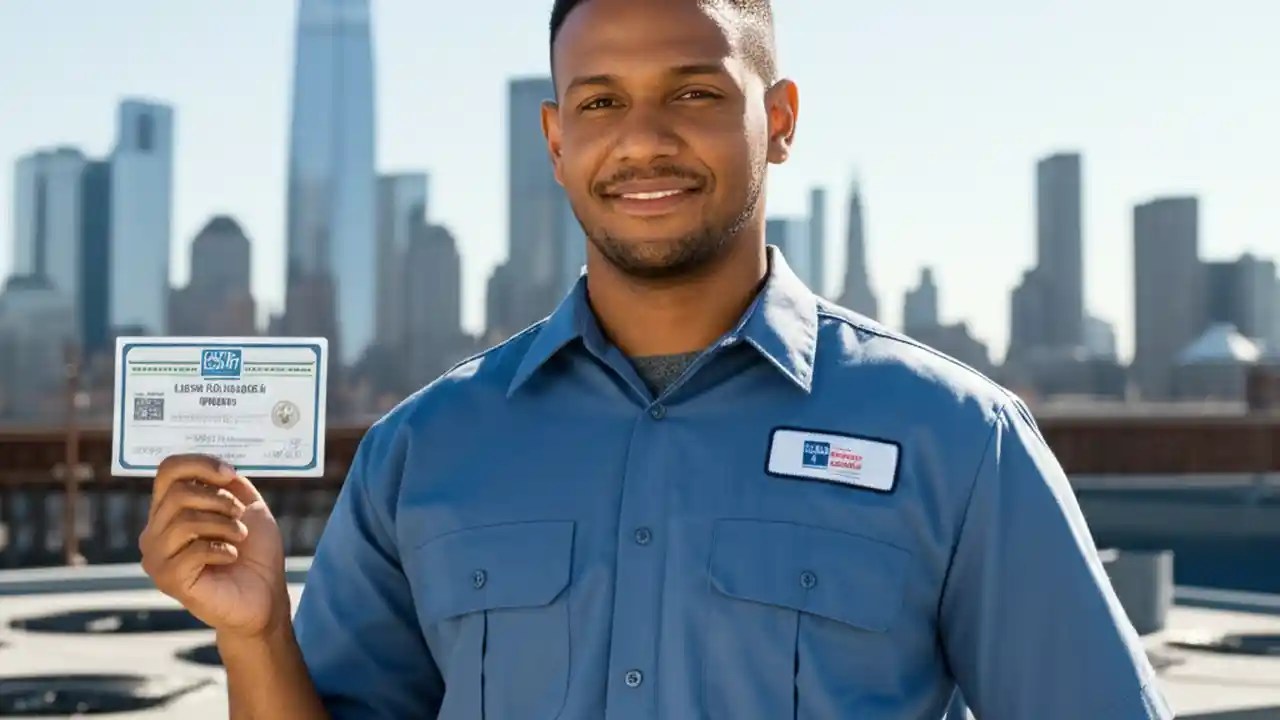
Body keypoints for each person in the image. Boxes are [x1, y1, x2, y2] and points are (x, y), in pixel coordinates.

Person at [138, 0, 1174, 717]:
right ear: (554, 141)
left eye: (691, 94)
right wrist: (256, 634)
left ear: (775, 122)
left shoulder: (956, 442)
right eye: (598, 102)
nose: (642, 139)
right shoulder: (421, 452)